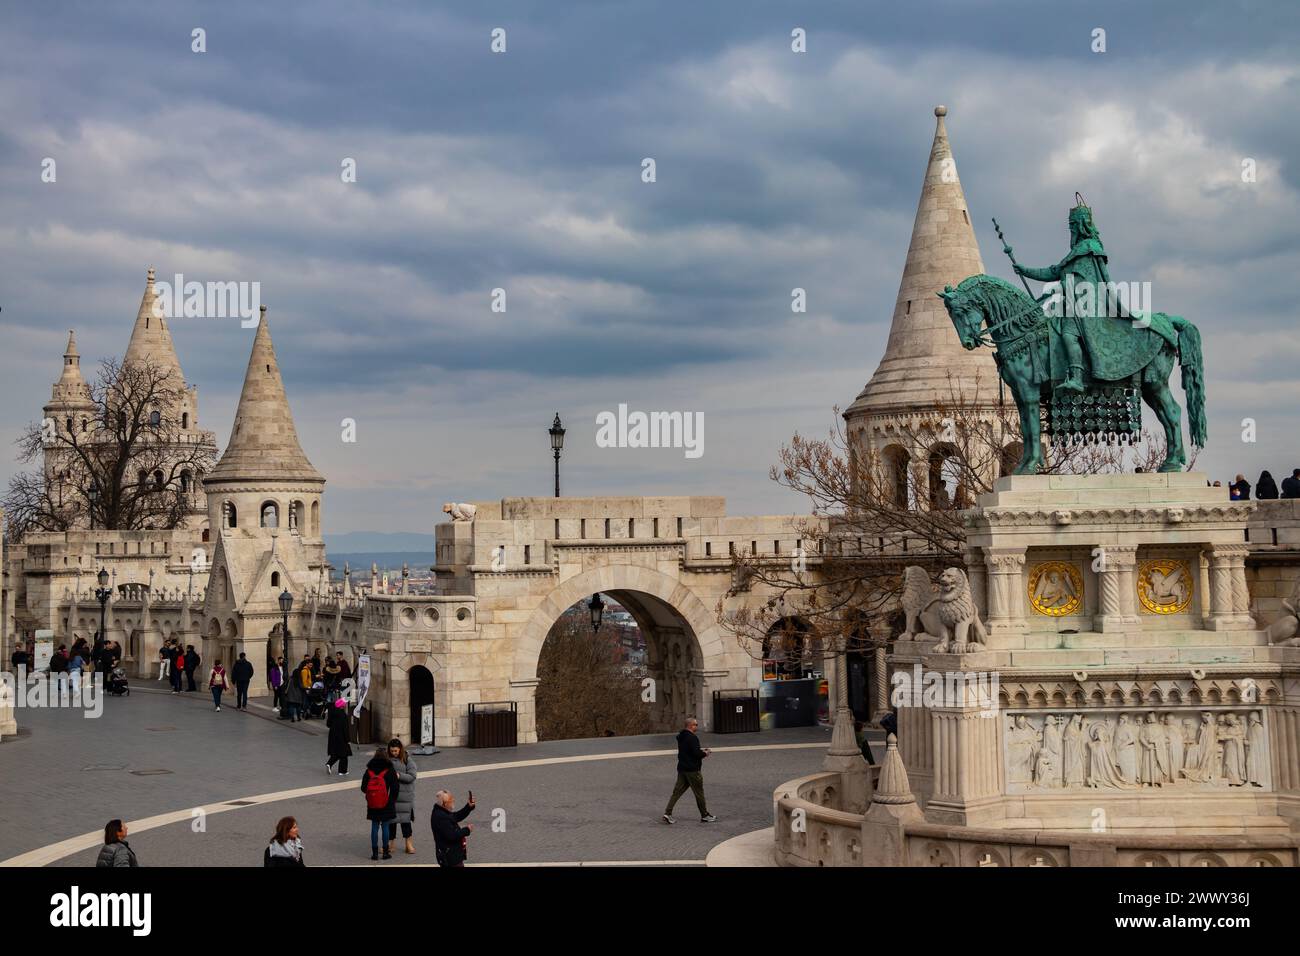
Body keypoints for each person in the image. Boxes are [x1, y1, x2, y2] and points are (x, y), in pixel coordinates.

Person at [661, 716, 715, 824]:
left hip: (682, 769)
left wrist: (699, 751)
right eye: (696, 724)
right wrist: (705, 753)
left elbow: (689, 751)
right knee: (699, 793)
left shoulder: (681, 736)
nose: (697, 726)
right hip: (693, 770)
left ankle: (668, 812)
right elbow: (696, 754)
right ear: (691, 725)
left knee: (676, 792)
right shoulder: (692, 738)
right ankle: (704, 815)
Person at [361, 747, 400, 860]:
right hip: (386, 803)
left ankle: (374, 853)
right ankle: (385, 852)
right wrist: (391, 800)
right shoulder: (390, 769)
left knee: (374, 826)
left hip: (373, 803)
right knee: (385, 827)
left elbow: (363, 788)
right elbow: (395, 788)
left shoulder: (369, 770)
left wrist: (371, 796)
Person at [387, 738, 419, 855]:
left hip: (405, 797)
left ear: (400, 749)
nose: (393, 753)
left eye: (395, 751)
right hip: (392, 796)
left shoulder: (407, 759)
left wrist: (398, 775)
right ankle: (391, 845)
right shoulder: (387, 760)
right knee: (391, 822)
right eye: (391, 751)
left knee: (406, 822)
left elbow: (412, 776)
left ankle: (408, 844)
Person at [430, 789, 475, 867]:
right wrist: (467, 830)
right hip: (450, 857)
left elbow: (455, 816)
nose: (453, 800)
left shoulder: (442, 811)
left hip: (451, 855)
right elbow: (452, 835)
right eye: (451, 799)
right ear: (445, 803)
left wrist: (468, 807)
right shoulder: (441, 817)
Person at [326, 698, 353, 775]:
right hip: (341, 737)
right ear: (342, 706)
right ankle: (342, 771)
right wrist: (348, 740)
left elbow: (328, 724)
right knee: (344, 754)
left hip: (333, 736)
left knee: (337, 753)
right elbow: (345, 729)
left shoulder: (332, 713)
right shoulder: (343, 715)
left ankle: (329, 764)